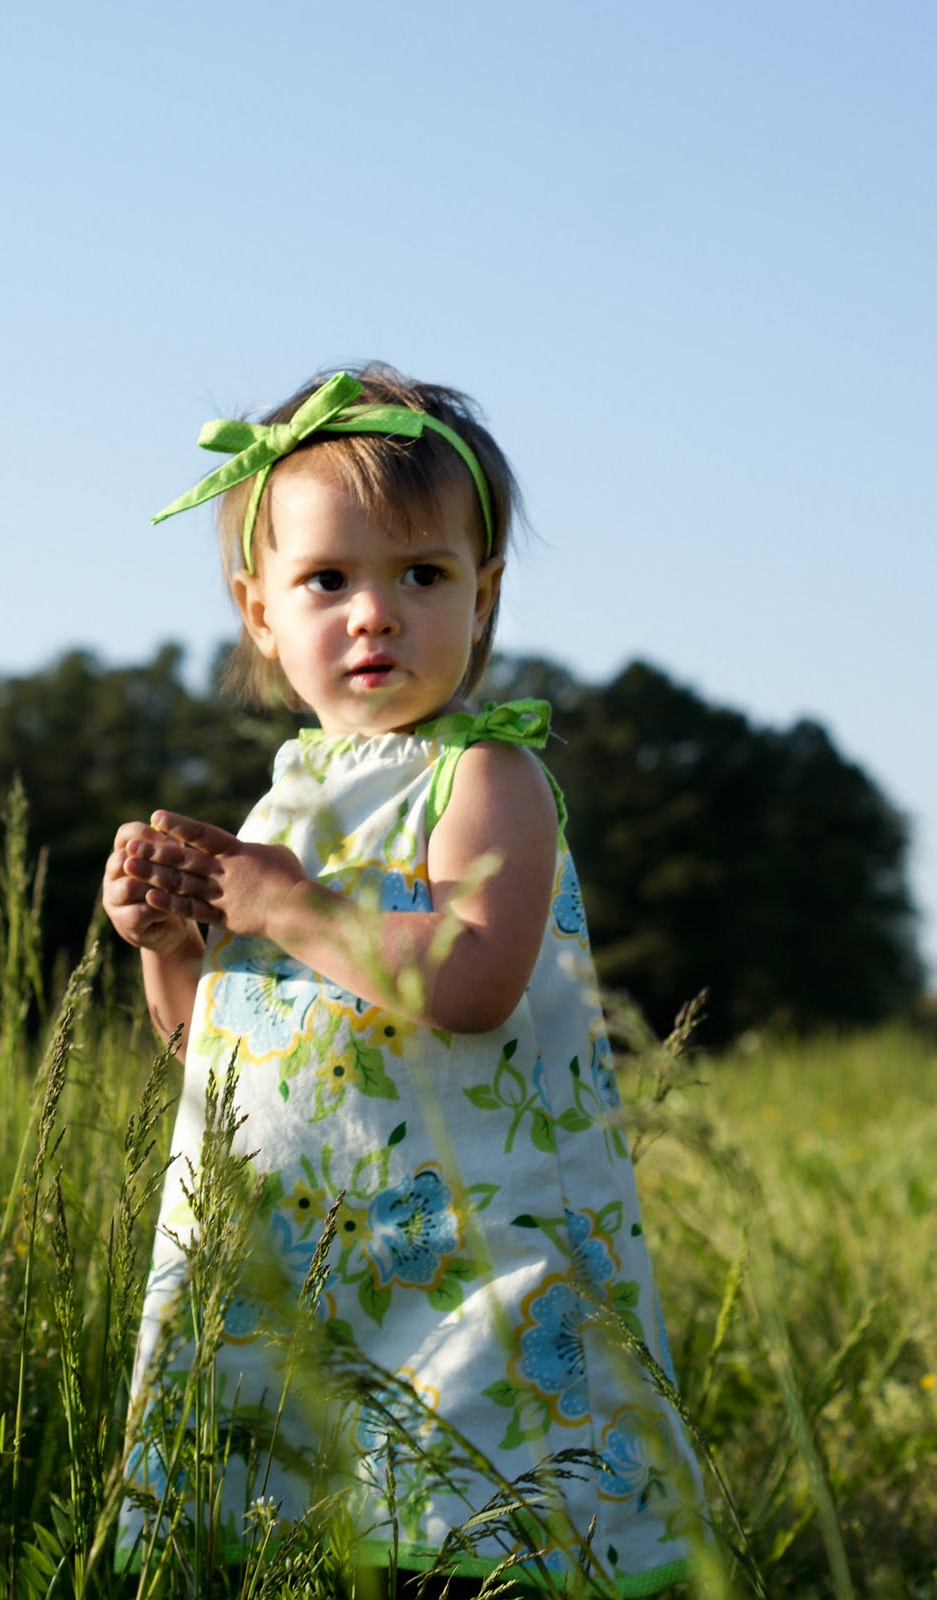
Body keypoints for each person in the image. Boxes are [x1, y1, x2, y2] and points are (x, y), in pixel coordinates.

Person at [103, 364, 704, 1594]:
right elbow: (219, 1054)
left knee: (477, 1524)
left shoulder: (484, 779)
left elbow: (476, 977)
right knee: (312, 1531)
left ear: (481, 601)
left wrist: (287, 902)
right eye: (329, 579)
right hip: (309, 1257)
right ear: (259, 609)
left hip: (471, 1263)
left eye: (420, 575)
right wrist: (177, 953)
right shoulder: (286, 799)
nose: (374, 613)